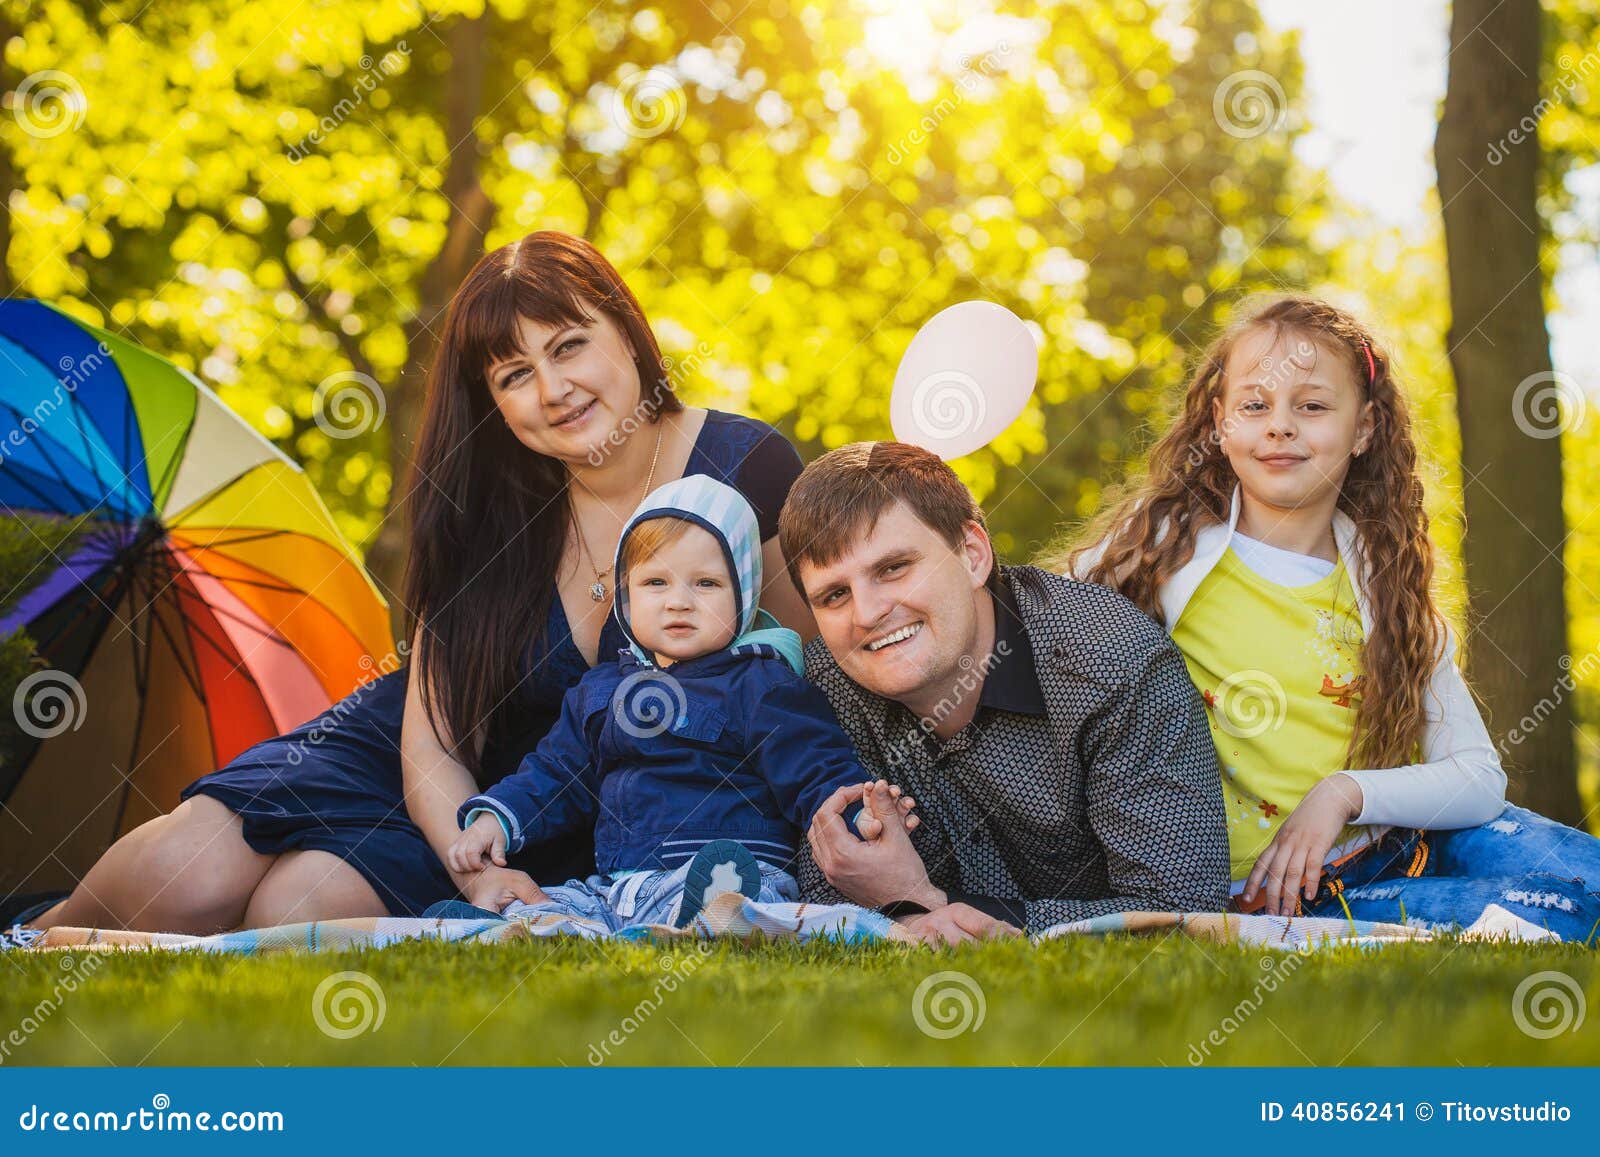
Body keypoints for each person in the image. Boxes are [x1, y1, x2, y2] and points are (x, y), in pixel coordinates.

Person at [2, 231, 816, 943]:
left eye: (570, 345)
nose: (552, 389)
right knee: (187, 876)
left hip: (568, 803)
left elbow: (793, 677)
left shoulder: (747, 467)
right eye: (513, 374)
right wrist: (473, 876)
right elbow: (428, 734)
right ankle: (28, 939)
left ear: (629, 334)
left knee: (291, 912)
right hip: (413, 761)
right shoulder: (491, 503)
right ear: (492, 402)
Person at [1055, 294, 1600, 941]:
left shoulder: (1387, 580)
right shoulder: (1160, 552)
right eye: (1255, 405)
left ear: (1364, 428)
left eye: (1311, 405)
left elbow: (1478, 778)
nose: (1281, 425)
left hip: (1406, 845)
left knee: (1588, 878)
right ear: (1220, 423)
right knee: (1545, 915)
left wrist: (1343, 791)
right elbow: (1031, 637)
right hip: (1285, 897)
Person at [784, 441, 1231, 946]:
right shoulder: (827, 682)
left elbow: (1181, 911)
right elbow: (824, 886)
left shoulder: (1111, 661)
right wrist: (912, 912)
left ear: (972, 555)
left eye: (894, 568)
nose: (867, 613)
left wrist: (922, 905)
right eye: (834, 595)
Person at [443, 475, 888, 931]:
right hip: (623, 883)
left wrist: (860, 815)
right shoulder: (600, 690)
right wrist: (495, 820)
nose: (679, 602)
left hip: (730, 870)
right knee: (560, 903)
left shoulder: (759, 684)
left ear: (744, 596)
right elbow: (555, 772)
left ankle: (717, 918)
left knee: (723, 897)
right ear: (626, 594)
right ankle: (506, 924)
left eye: (706, 583)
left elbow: (814, 767)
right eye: (656, 582)